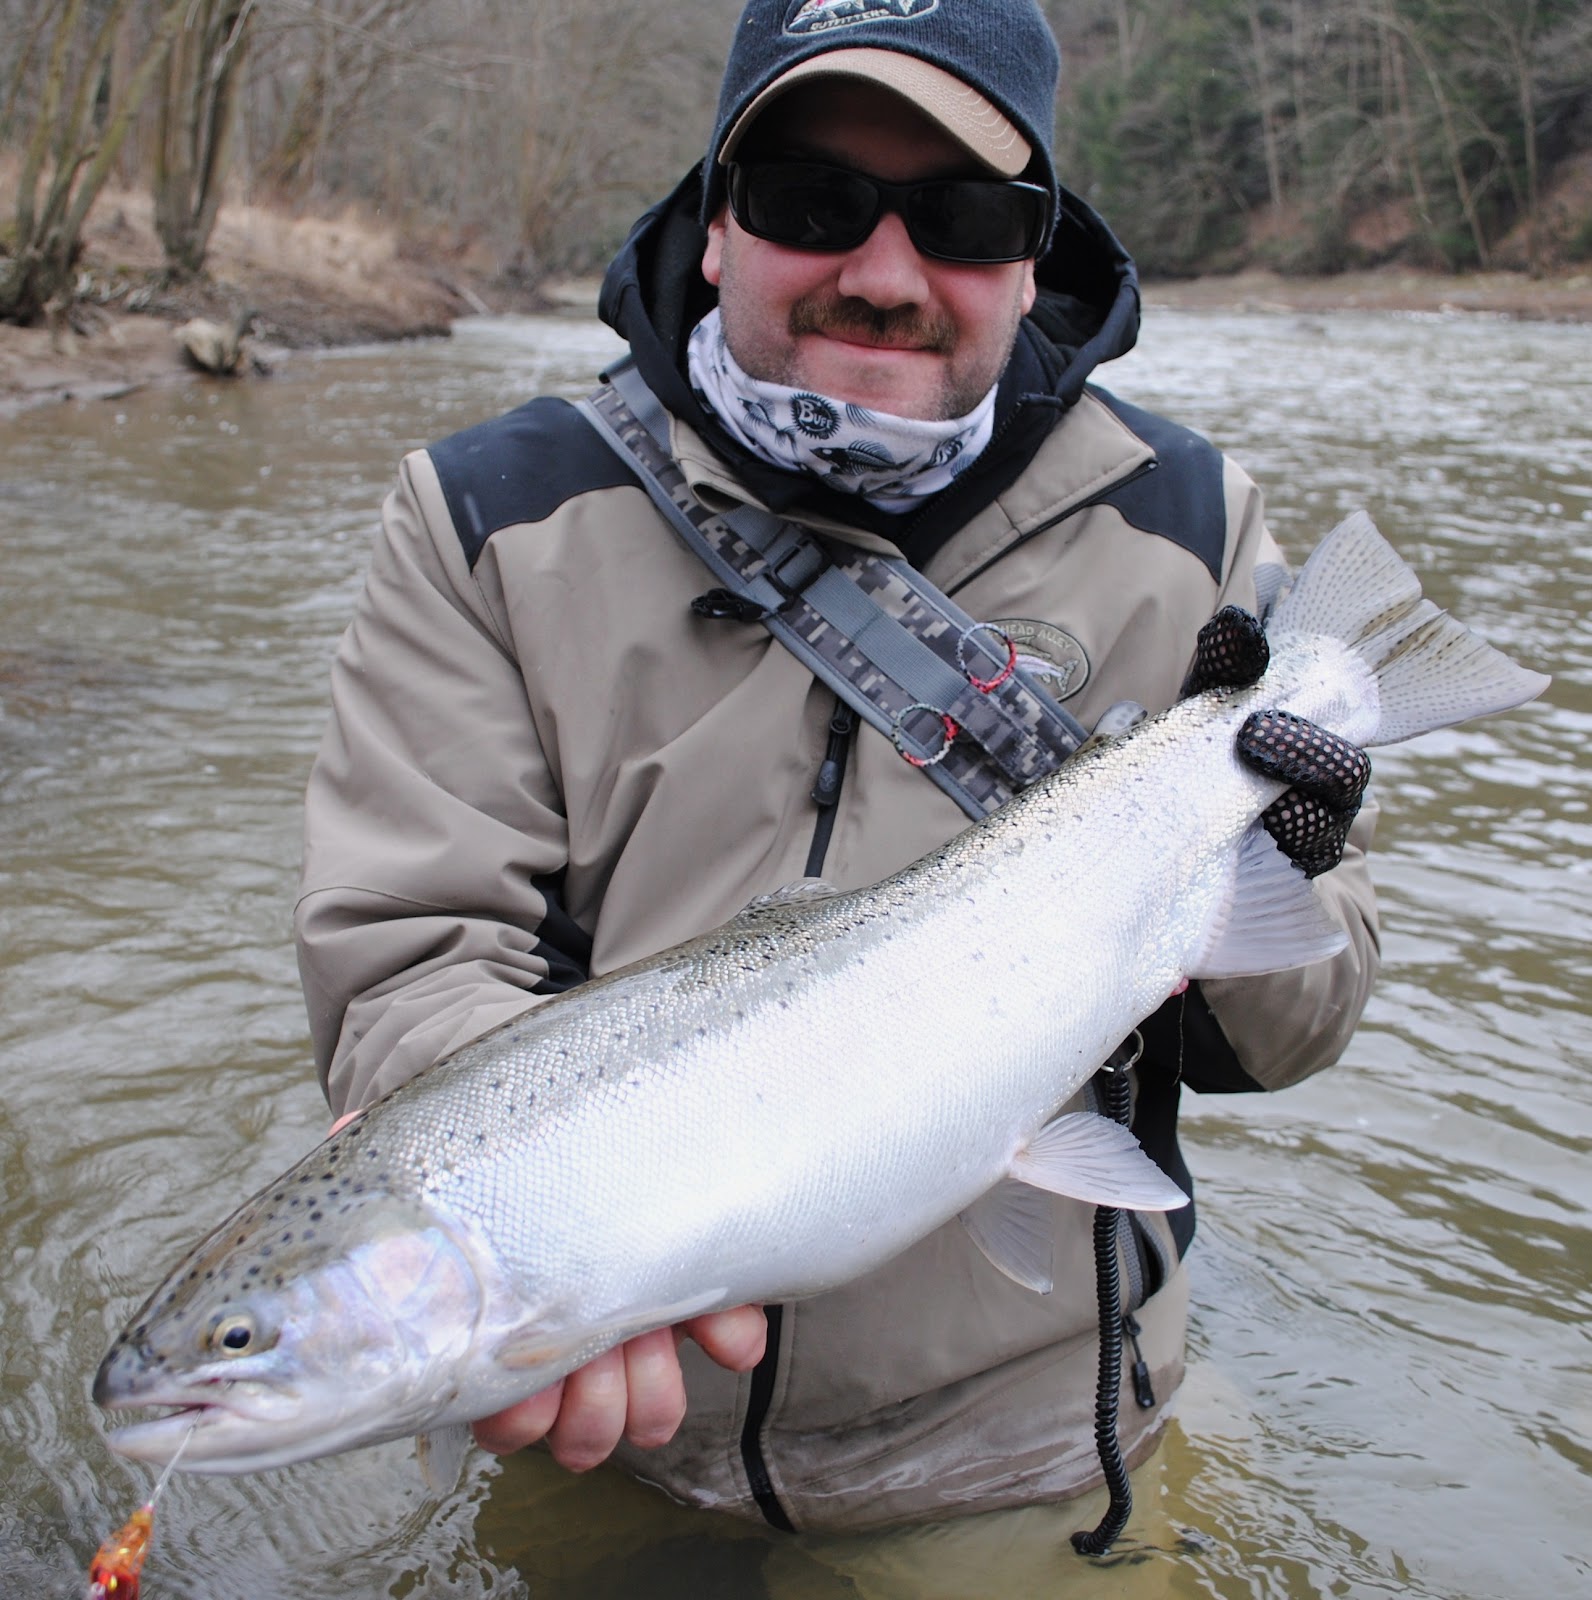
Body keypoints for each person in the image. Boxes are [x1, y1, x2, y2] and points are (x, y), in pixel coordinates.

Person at [295, 0, 1379, 1537]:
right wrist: (547, 1244)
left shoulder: (1189, 527)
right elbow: (411, 957)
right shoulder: (485, 515)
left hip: (1028, 1448)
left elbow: (1291, 1039)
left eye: (961, 215)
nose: (882, 275)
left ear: (1033, 252)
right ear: (719, 223)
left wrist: (1281, 865)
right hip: (603, 1422)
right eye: (815, 204)